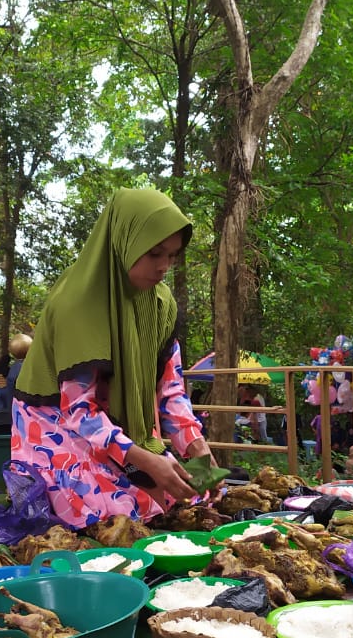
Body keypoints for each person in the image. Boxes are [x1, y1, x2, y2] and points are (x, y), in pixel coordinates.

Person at [12, 186, 213, 527]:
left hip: (117, 425)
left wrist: (196, 445)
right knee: (119, 515)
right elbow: (78, 411)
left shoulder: (161, 304)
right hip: (54, 425)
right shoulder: (79, 304)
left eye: (173, 256)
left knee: (194, 498)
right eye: (154, 253)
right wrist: (145, 460)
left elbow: (170, 389)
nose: (164, 267)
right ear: (124, 242)